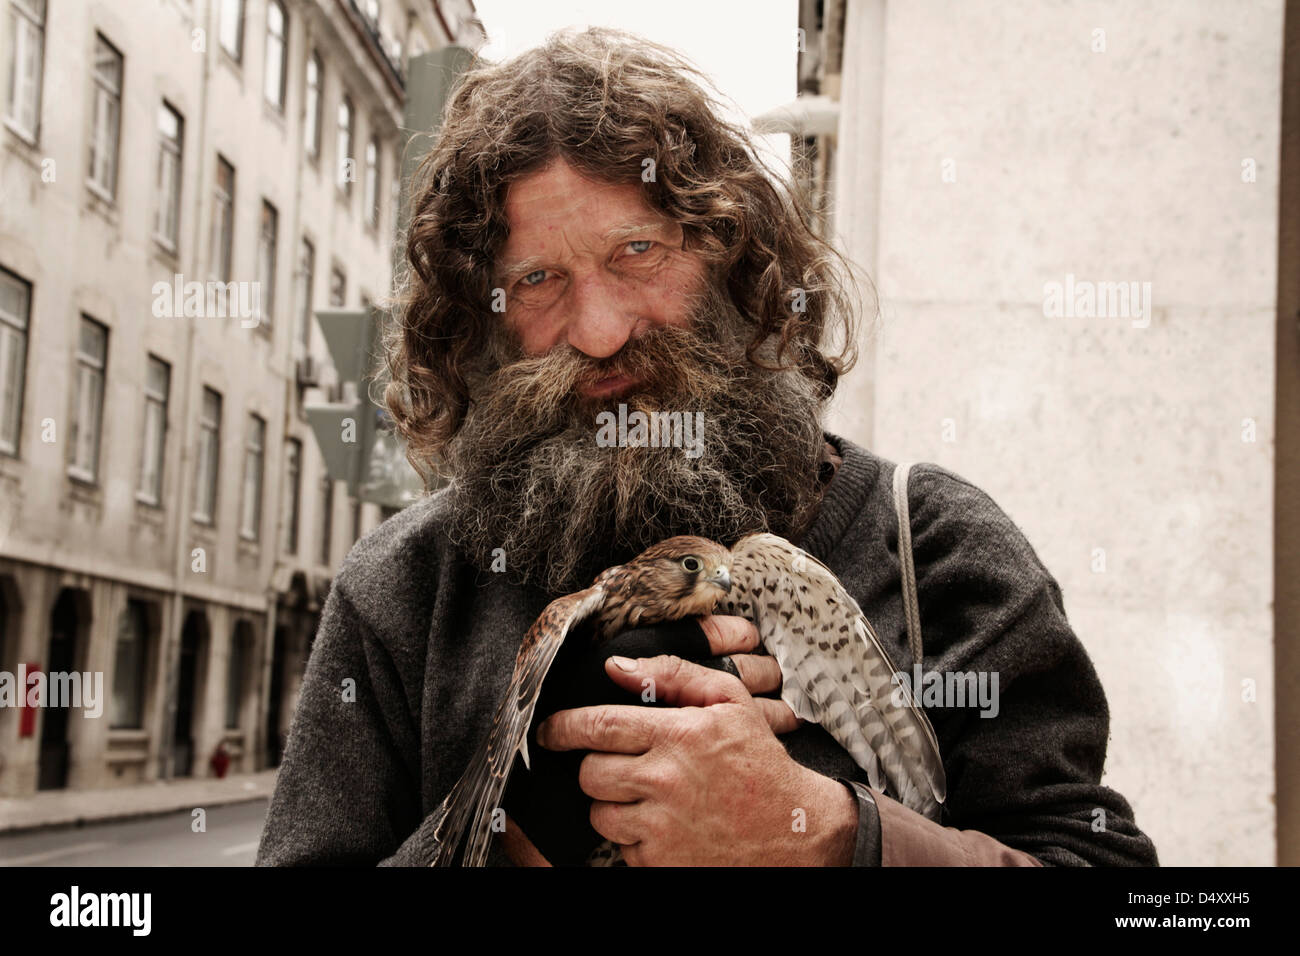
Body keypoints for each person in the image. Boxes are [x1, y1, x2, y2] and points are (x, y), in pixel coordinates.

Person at [255, 28, 1158, 867]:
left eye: (639, 251)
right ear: (480, 323)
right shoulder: (403, 590)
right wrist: (513, 828)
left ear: (732, 259)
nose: (600, 330)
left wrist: (827, 833)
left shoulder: (931, 546)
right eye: (537, 280)